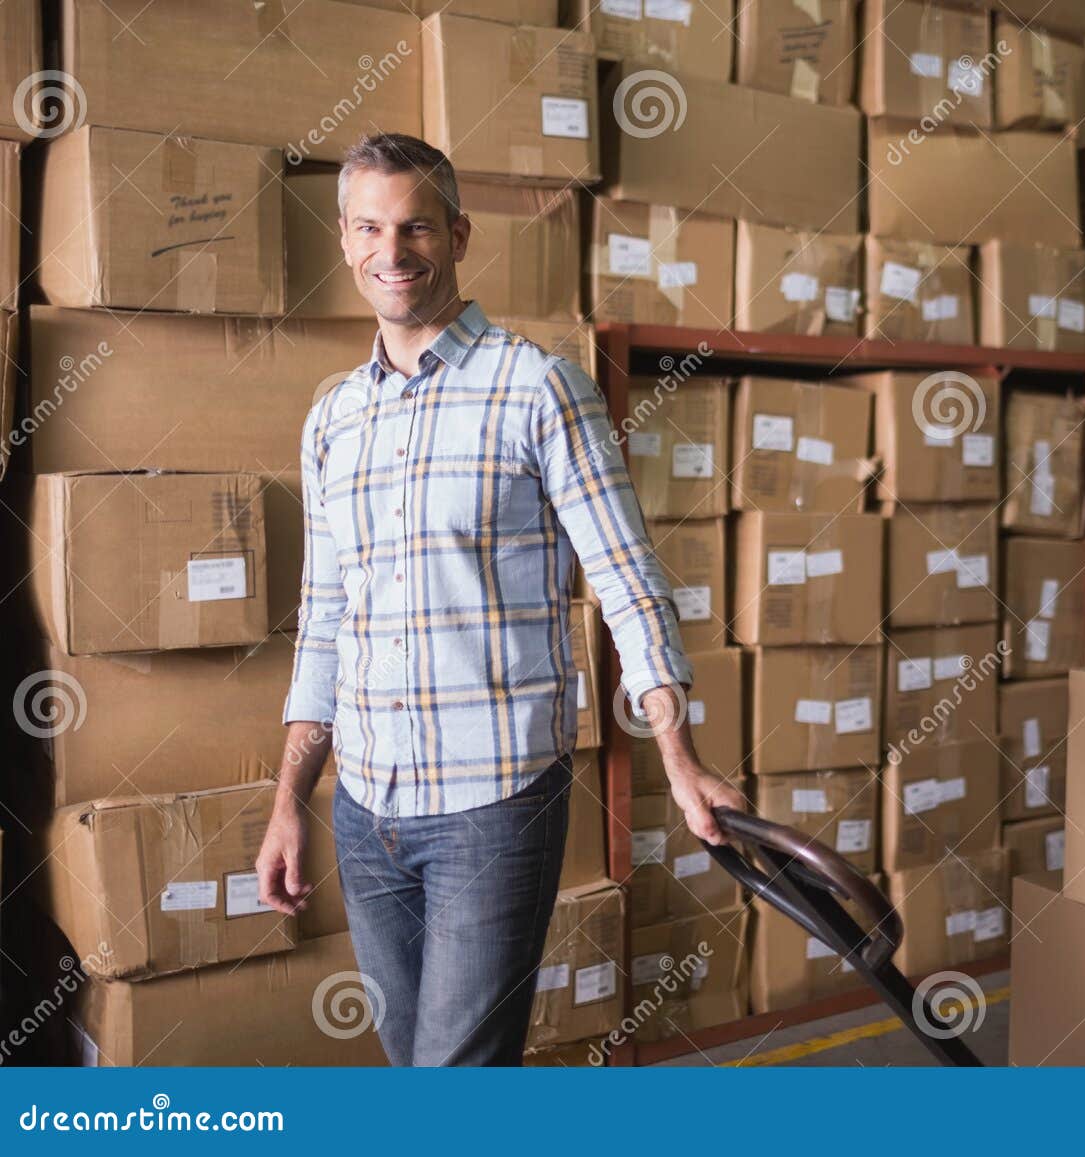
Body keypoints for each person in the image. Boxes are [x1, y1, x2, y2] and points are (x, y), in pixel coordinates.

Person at [253, 132, 743, 1066]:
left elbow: (628, 580)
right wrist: (291, 801)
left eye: (416, 227)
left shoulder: (538, 387)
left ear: (459, 235)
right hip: (365, 806)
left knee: (454, 1079)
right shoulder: (333, 420)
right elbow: (324, 619)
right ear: (345, 241)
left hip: (493, 802)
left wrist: (680, 760)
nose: (392, 253)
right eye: (369, 227)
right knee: (416, 1069)